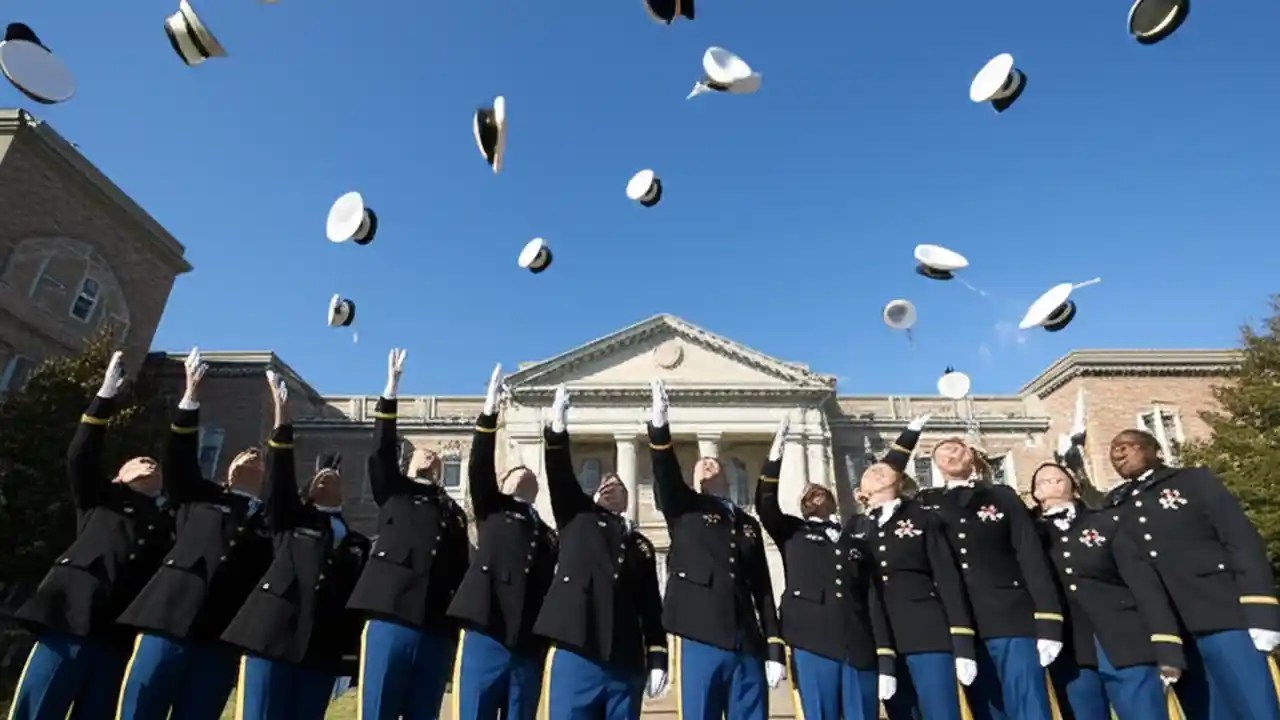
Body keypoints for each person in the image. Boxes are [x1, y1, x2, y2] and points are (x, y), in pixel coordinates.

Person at [8, 352, 176, 720]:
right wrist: (104, 396)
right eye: (139, 461)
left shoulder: (167, 519)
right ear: (118, 476)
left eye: (155, 463)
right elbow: (80, 456)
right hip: (71, 616)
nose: (149, 462)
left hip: (118, 636)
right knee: (39, 707)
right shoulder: (101, 498)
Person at [114, 348, 276, 720]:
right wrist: (191, 396)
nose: (252, 456)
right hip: (169, 620)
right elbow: (179, 460)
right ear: (227, 472)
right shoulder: (199, 494)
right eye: (243, 456)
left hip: (221, 635)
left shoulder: (268, 519)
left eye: (260, 458)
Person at [220, 370, 372, 720]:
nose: (327, 475)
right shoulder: (291, 518)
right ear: (308, 493)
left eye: (334, 474)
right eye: (318, 476)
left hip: (321, 645)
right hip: (272, 634)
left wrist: (350, 658)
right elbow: (280, 475)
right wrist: (281, 414)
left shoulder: (357, 542)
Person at [1105, 429, 1280, 720]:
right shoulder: (1115, 504)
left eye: (1127, 446)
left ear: (1154, 450)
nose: (1118, 453)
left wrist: (1262, 610)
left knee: (1255, 706)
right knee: (1206, 711)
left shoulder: (1192, 481)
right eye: (1113, 449)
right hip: (1172, 631)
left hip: (1223, 614)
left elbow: (1240, 540)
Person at [646, 378, 786, 720]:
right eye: (700, 464)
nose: (707, 463)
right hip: (700, 631)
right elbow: (665, 476)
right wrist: (660, 430)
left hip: (747, 639)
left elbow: (763, 590)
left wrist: (774, 646)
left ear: (727, 475)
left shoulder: (747, 523)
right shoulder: (684, 507)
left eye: (714, 463)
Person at [344, 349, 470, 720]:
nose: (429, 456)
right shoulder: (395, 490)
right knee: (379, 708)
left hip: (435, 622)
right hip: (391, 614)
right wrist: (391, 391)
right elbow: (380, 451)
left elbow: (460, 568)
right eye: (422, 453)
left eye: (435, 455)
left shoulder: (454, 513)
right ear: (408, 462)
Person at [534, 384, 669, 720]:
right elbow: (560, 475)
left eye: (618, 485)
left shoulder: (641, 545)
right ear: (592, 496)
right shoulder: (576, 516)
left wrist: (657, 656)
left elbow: (651, 606)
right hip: (576, 648)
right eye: (604, 484)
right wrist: (557, 430)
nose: (612, 485)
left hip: (625, 659)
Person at [755, 413, 896, 720]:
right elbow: (764, 502)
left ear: (833, 500)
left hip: (858, 642)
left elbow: (871, 592)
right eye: (806, 496)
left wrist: (883, 652)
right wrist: (775, 458)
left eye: (819, 493)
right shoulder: (791, 531)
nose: (812, 497)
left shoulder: (855, 536)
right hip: (811, 638)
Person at [917, 437, 1064, 720]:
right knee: (986, 707)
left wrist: (1049, 618)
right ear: (934, 463)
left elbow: (1029, 554)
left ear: (972, 456)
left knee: (1028, 703)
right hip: (959, 622)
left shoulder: (1001, 495)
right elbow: (884, 478)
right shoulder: (927, 503)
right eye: (943, 451)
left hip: (1010, 614)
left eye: (957, 447)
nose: (951, 453)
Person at [1031, 461, 1185, 719]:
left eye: (1058, 479)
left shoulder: (1108, 522)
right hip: (1071, 650)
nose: (1050, 483)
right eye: (1042, 482)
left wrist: (1167, 644)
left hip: (1126, 639)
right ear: (1035, 494)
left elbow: (1143, 583)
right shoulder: (1032, 535)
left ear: (1074, 487)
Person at [447, 364, 558, 720]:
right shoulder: (491, 507)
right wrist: (489, 413)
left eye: (528, 473)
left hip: (528, 641)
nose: (521, 471)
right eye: (512, 472)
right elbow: (479, 467)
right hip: (487, 629)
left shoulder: (548, 533)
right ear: (504, 482)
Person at [856, 415, 978, 720]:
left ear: (900, 480)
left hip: (927, 633)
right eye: (869, 472)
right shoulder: (856, 528)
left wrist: (962, 639)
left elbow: (947, 577)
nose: (877, 472)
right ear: (860, 490)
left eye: (884, 470)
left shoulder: (923, 516)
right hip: (880, 639)